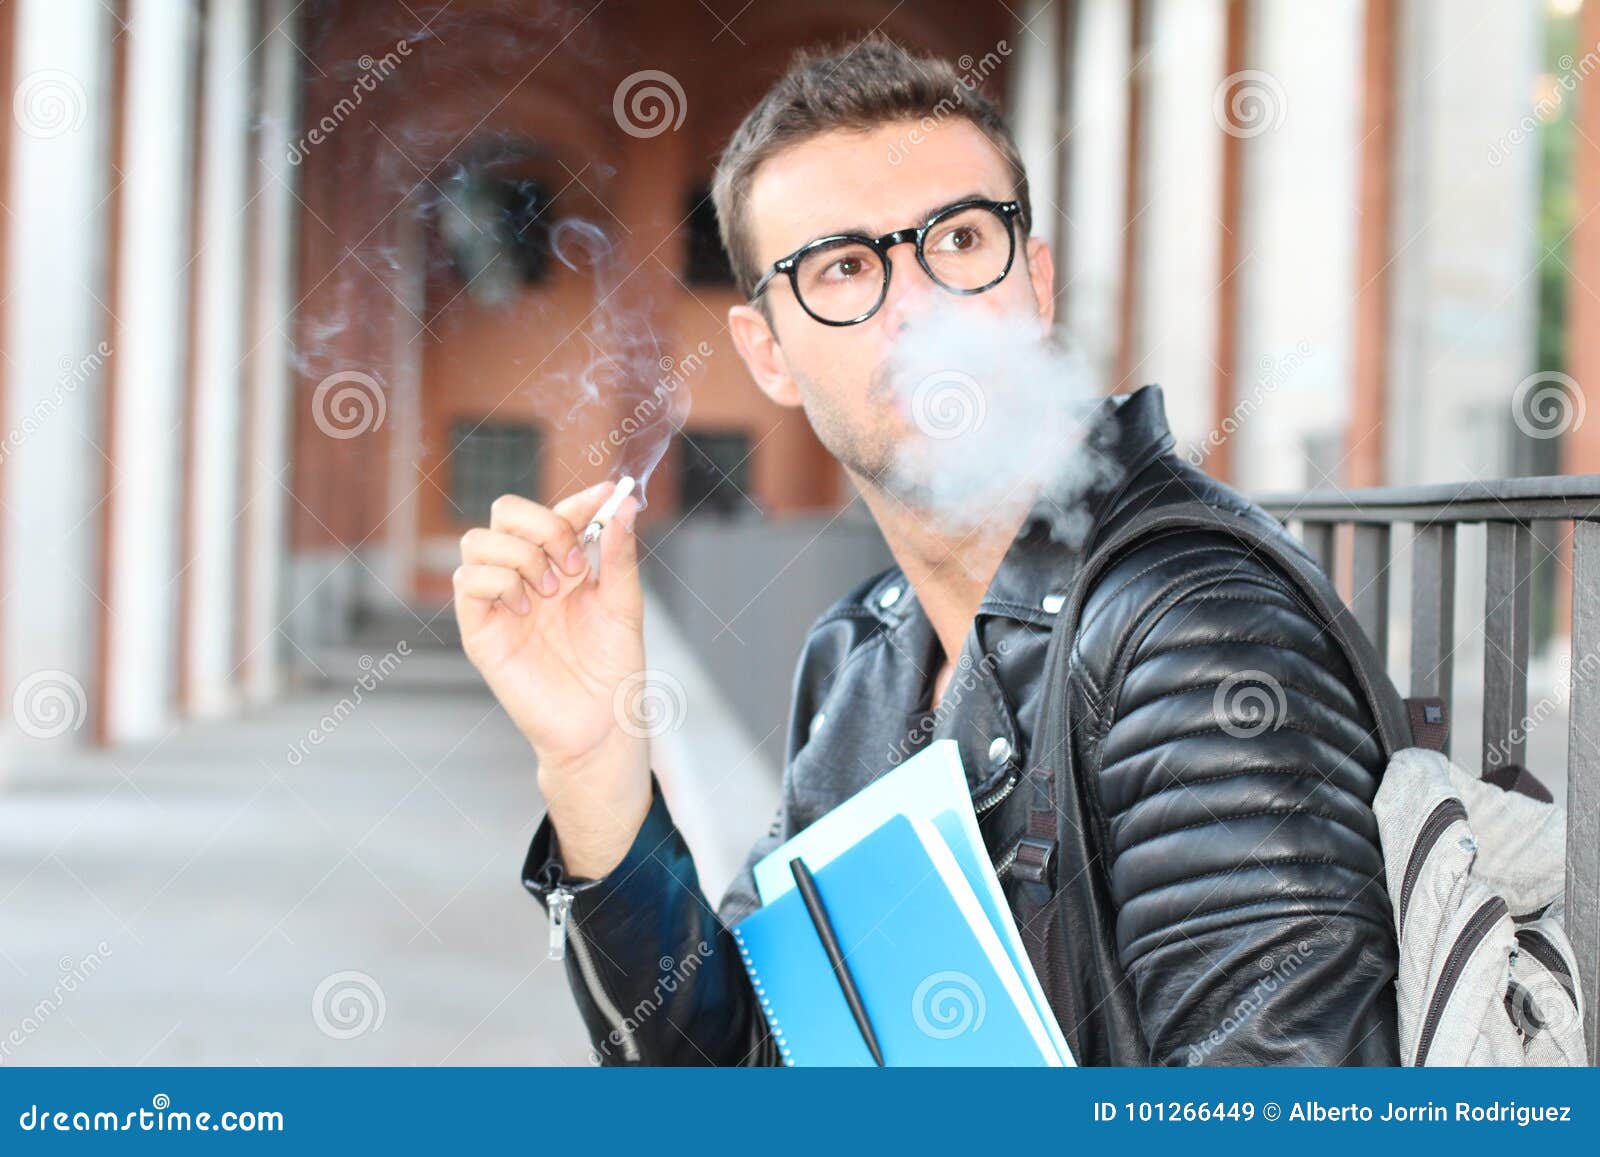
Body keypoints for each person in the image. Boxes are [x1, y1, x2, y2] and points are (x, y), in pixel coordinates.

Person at [453, 35, 1400, 1065]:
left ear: (1033, 283)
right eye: (845, 266)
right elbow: (734, 1068)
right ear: (766, 353)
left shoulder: (1193, 636)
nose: (916, 305)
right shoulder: (864, 653)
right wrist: (593, 767)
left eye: (955, 240)